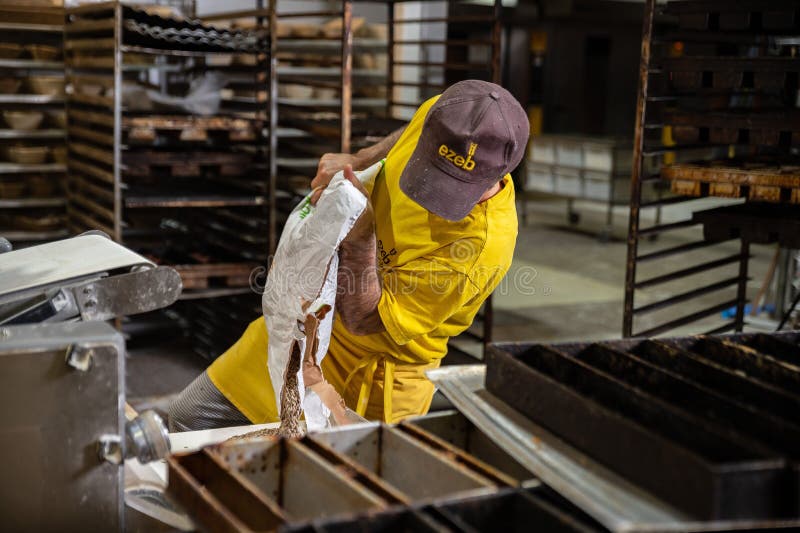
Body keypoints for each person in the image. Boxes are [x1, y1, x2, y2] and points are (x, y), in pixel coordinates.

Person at [169, 79, 529, 431]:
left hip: (370, 372)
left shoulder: (480, 249)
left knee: (318, 483)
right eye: (433, 169)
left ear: (501, 172)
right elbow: (410, 130)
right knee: (189, 418)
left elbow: (365, 320)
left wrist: (360, 240)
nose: (426, 197)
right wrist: (362, 158)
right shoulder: (450, 117)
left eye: (453, 187)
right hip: (307, 325)